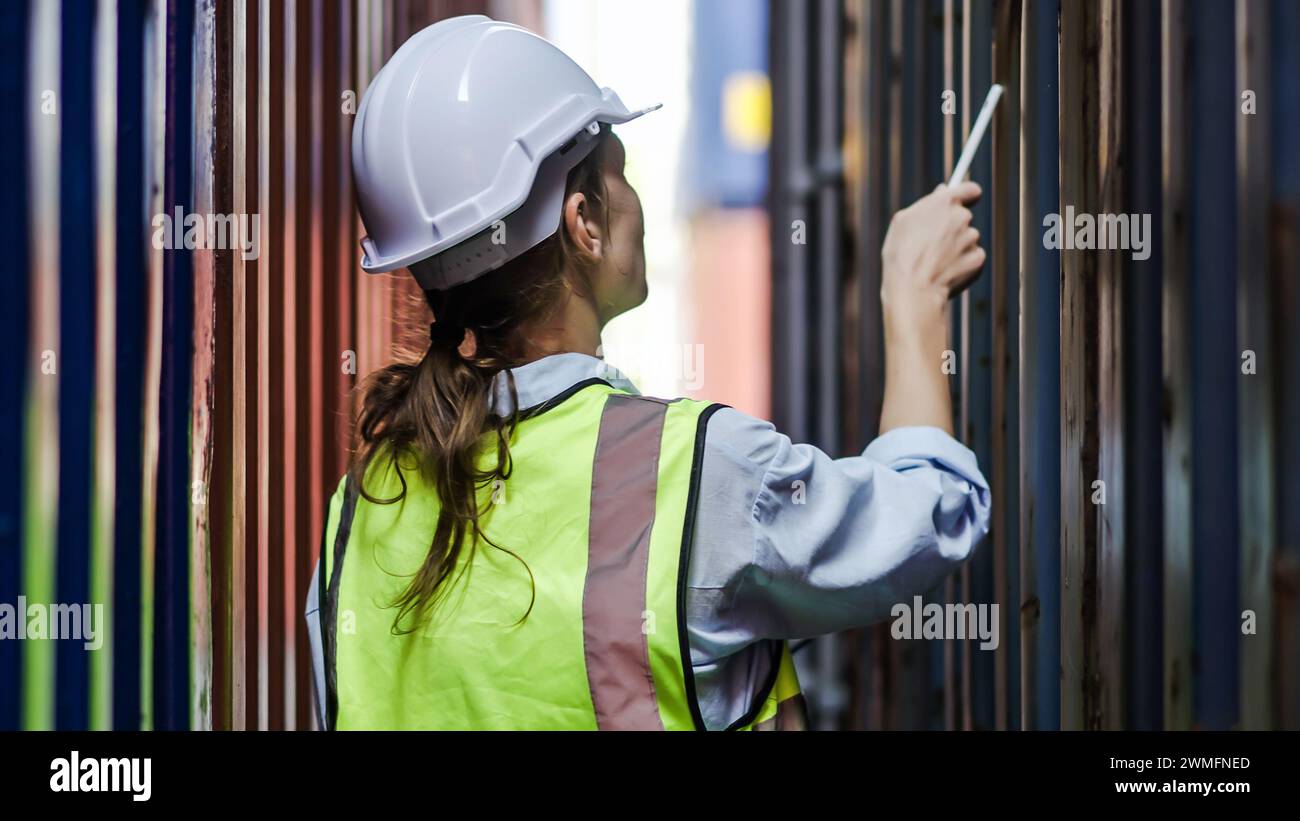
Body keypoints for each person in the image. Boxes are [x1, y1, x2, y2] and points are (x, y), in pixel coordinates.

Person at [305, 14, 990, 731]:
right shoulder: (689, 472)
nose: (633, 197)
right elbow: (933, 515)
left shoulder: (357, 517)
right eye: (619, 171)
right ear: (584, 224)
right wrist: (912, 302)